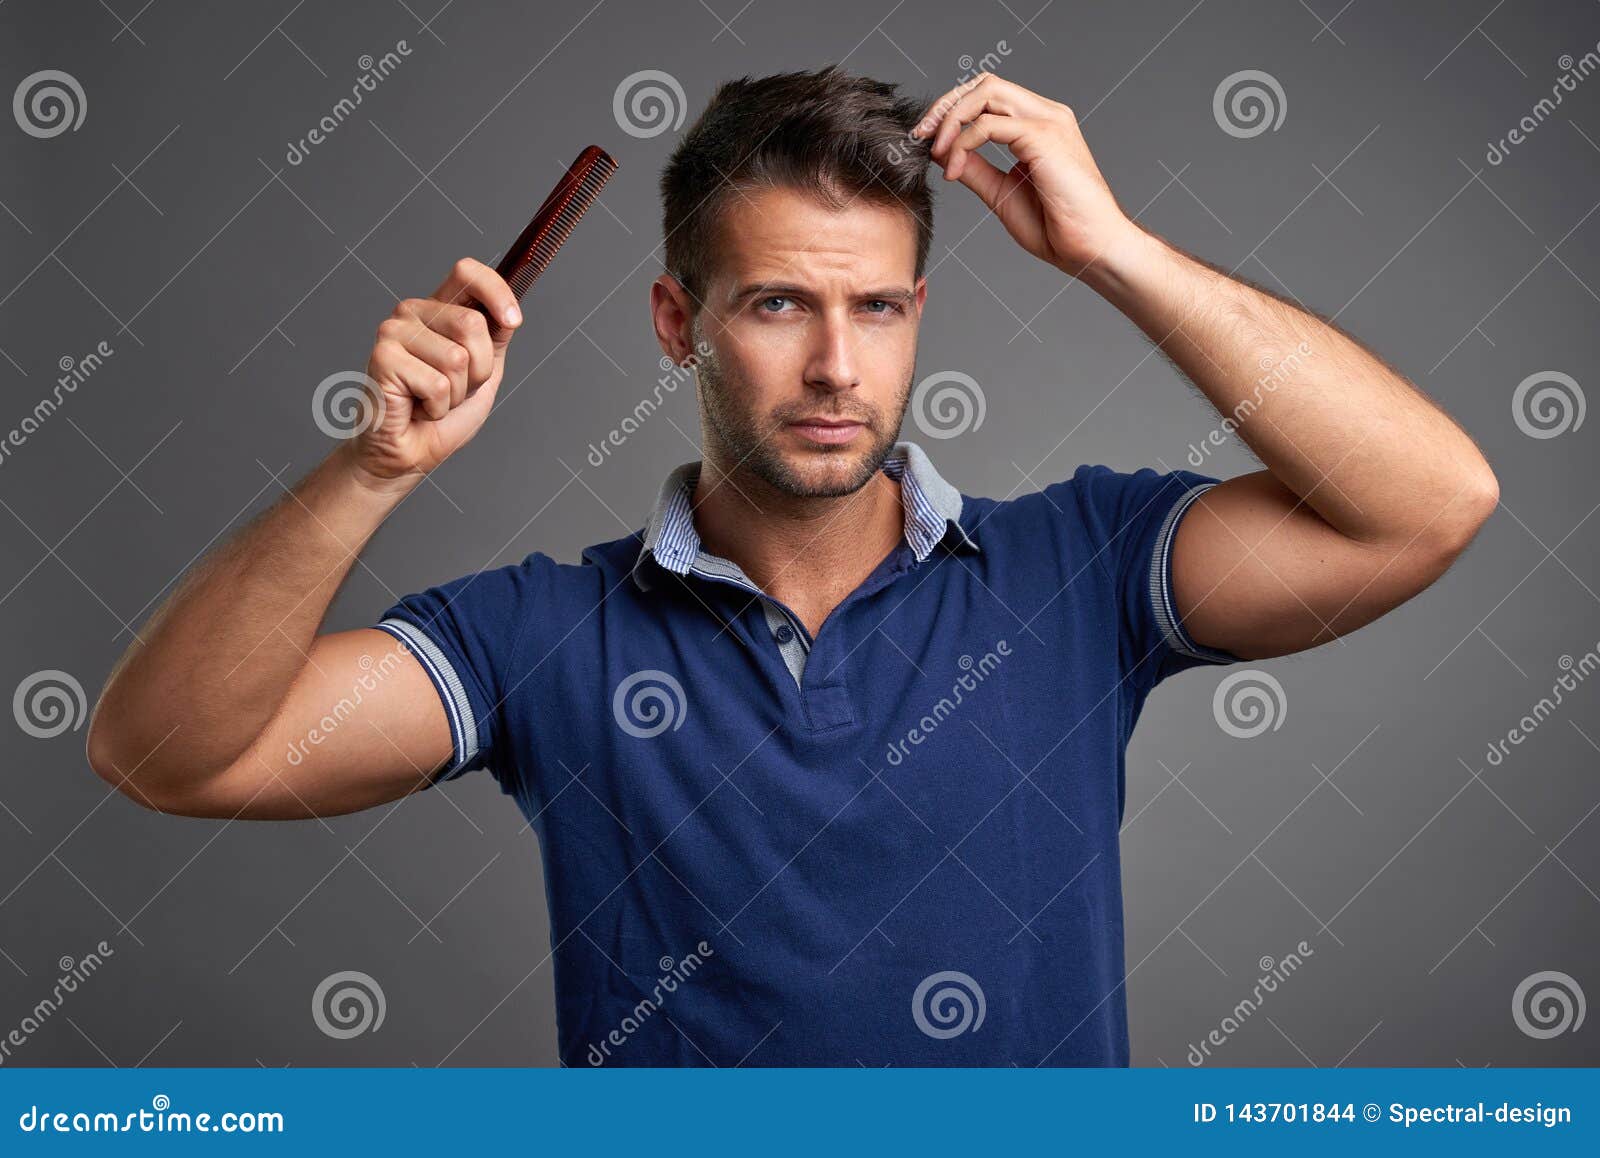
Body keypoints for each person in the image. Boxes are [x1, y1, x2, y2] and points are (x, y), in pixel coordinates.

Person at [86, 65, 1498, 1066]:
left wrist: (1115, 252)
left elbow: (1427, 502)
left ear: (919, 315)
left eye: (876, 306)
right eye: (776, 304)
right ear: (674, 322)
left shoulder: (1076, 568)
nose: (836, 364)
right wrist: (372, 469)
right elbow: (172, 754)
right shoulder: (546, 634)